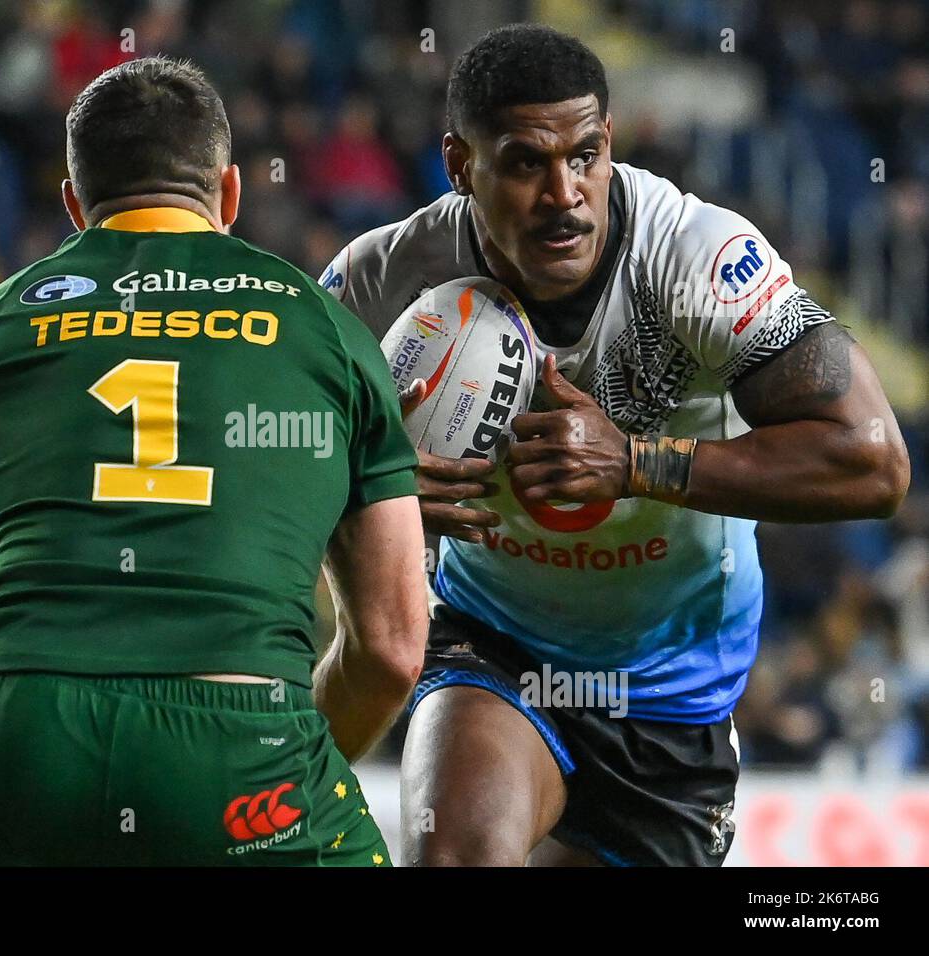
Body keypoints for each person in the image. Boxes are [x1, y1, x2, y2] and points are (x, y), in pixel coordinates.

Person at [320, 23, 911, 866]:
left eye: (586, 155)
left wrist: (638, 461)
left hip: (674, 680)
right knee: (453, 853)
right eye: (526, 162)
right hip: (497, 642)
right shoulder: (385, 275)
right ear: (460, 166)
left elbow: (875, 462)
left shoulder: (696, 258)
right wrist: (369, 485)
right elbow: (273, 449)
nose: (565, 193)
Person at [0, 56, 428, 866]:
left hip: (18, 733)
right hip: (242, 731)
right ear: (230, 191)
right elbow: (393, 648)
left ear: (76, 204)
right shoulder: (331, 334)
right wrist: (270, 782)